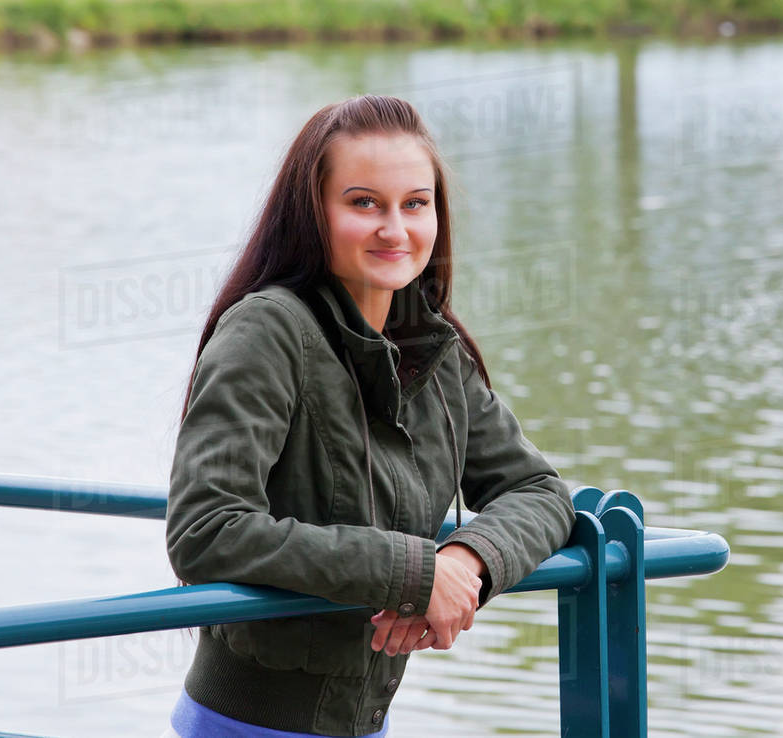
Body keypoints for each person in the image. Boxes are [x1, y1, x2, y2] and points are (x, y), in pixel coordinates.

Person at [163, 94, 576, 737]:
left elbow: (540, 491)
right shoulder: (267, 330)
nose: (395, 229)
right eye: (364, 203)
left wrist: (464, 562)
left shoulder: (434, 348)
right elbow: (206, 530)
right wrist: (411, 573)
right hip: (248, 726)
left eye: (415, 203)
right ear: (313, 213)